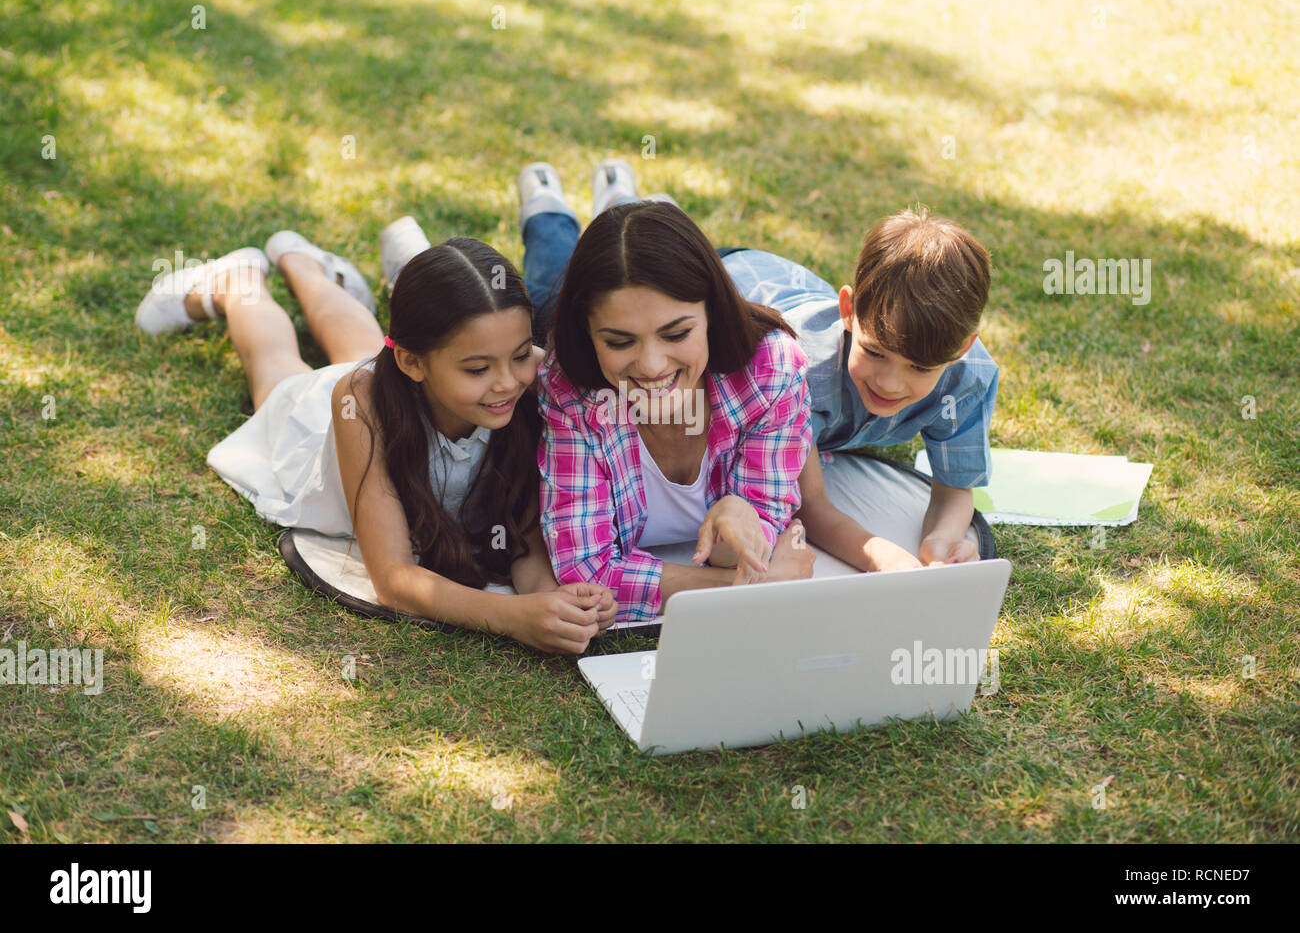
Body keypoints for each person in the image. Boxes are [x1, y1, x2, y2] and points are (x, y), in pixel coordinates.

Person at [134, 230, 615, 654]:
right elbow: (393, 580)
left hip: (396, 382)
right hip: (319, 425)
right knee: (276, 365)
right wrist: (513, 618)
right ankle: (236, 282)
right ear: (411, 362)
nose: (508, 382)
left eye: (519, 356)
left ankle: (302, 262)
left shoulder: (520, 390)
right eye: (478, 368)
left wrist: (550, 600)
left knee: (359, 347)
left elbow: (524, 538)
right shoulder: (362, 406)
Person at [517, 160, 817, 623]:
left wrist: (741, 529)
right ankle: (544, 203)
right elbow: (585, 570)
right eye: (619, 342)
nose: (652, 366)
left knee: (624, 238)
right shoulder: (568, 387)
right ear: (588, 333)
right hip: (553, 302)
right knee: (544, 269)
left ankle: (624, 202)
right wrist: (753, 585)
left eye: (676, 334)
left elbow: (751, 536)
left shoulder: (772, 372)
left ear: (713, 314)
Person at [723, 208, 999, 571]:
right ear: (848, 311)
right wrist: (879, 556)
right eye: (875, 352)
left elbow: (955, 488)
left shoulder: (968, 377)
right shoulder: (795, 367)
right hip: (733, 281)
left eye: (919, 367)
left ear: (962, 348)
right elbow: (809, 504)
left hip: (793, 289)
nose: (889, 383)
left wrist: (942, 540)